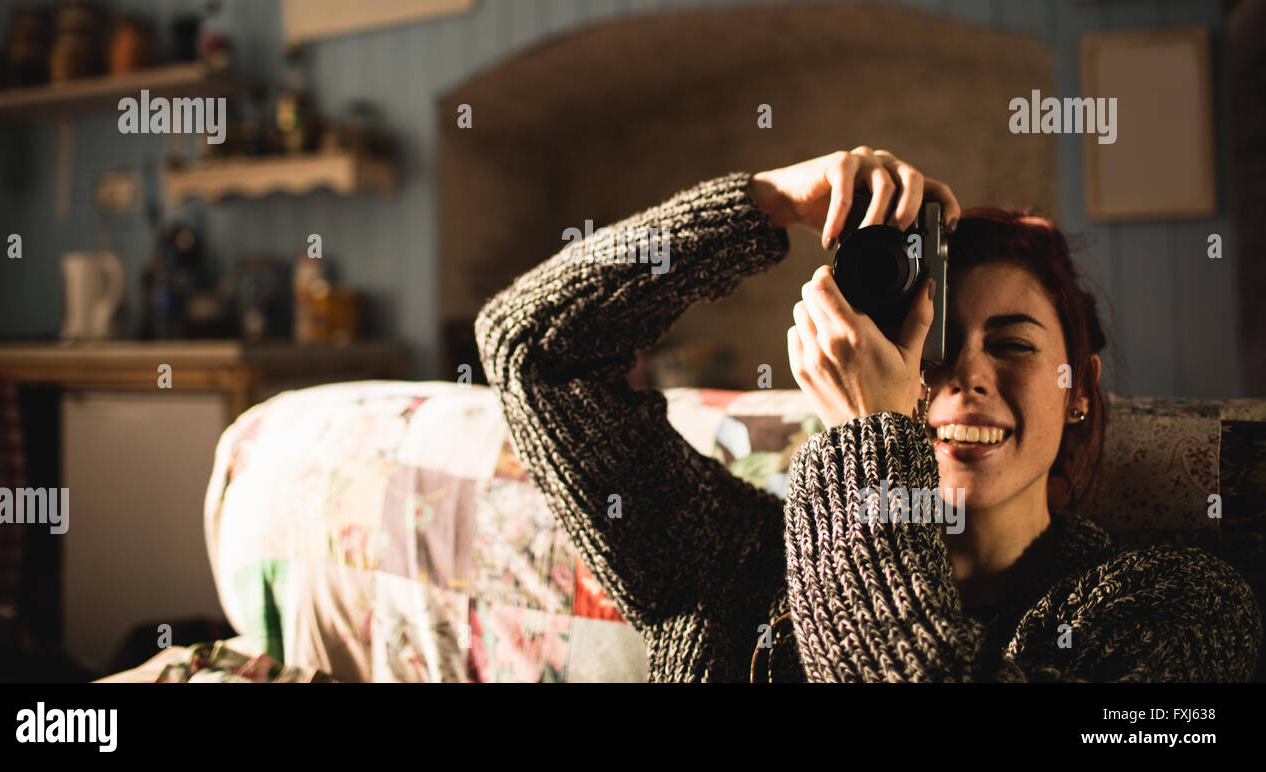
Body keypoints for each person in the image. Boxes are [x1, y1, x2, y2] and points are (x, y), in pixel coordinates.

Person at [474, 146, 1261, 682]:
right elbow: (533, 349)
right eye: (931, 343)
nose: (966, 378)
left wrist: (868, 441)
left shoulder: (1182, 610)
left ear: (1080, 387)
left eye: (1014, 346)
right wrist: (770, 202)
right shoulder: (730, 560)